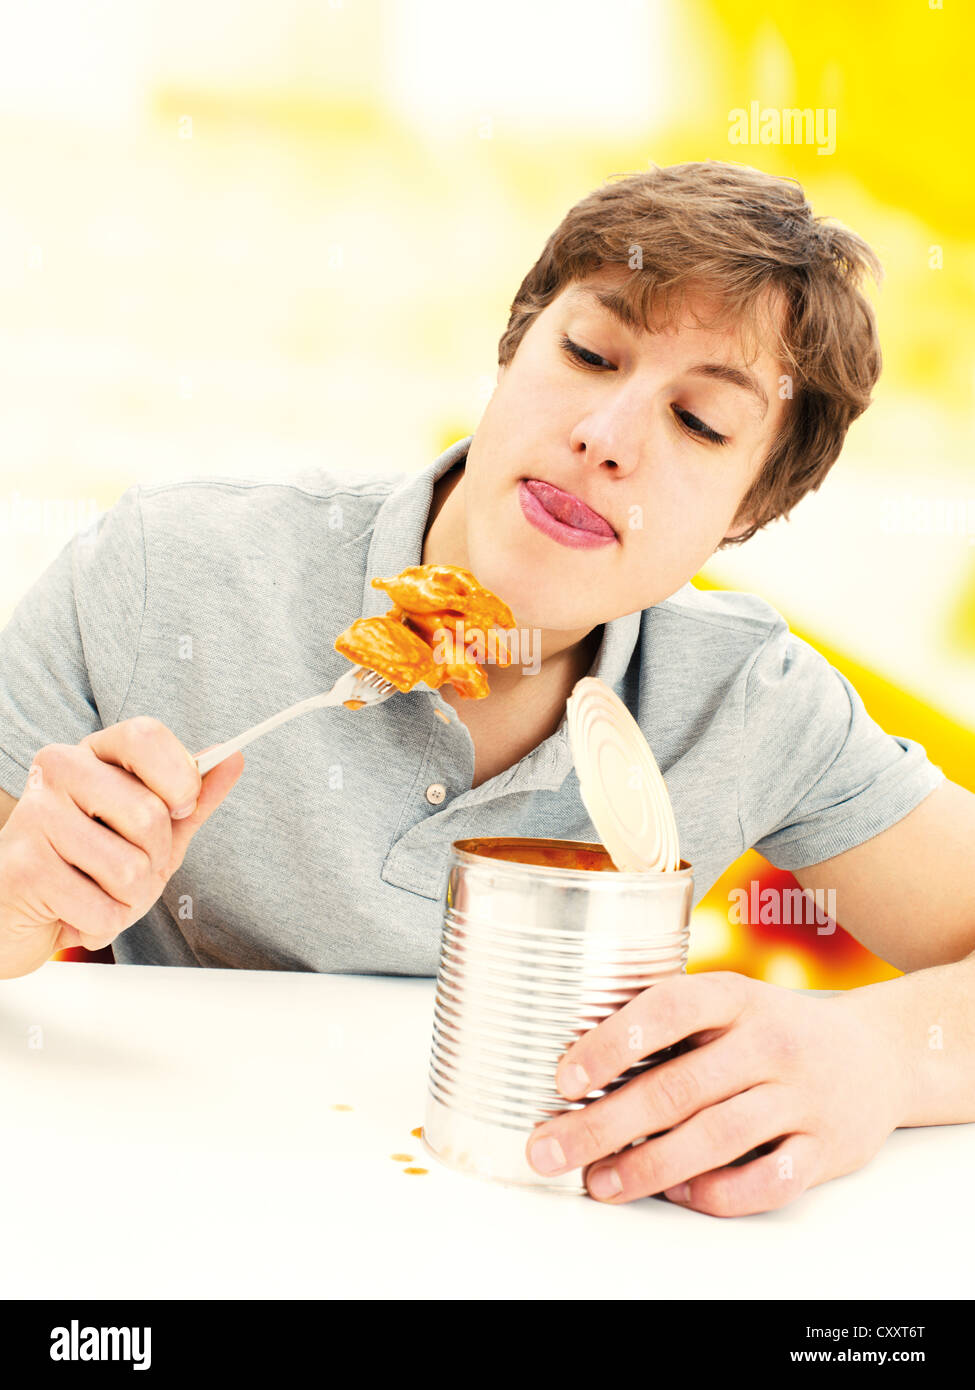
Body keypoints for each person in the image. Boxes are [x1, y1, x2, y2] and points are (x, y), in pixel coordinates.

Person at [1, 160, 973, 1216]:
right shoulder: (165, 567)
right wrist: (17, 900)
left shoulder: (753, 704)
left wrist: (879, 1052)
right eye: (591, 354)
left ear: (749, 513)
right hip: (165, 1199)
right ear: (511, 349)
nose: (606, 437)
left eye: (699, 424)